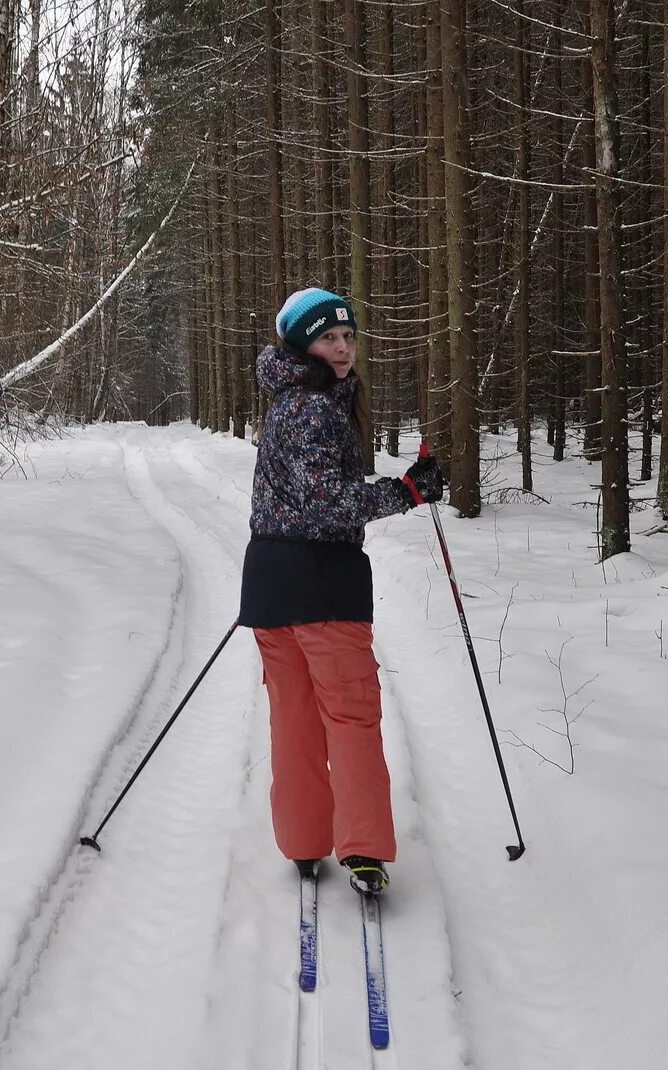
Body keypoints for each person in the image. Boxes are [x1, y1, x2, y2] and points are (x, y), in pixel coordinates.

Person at [237, 287, 446, 896]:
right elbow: (328, 503)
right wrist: (407, 491)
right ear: (303, 343)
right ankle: (361, 848)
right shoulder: (313, 407)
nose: (344, 347)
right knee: (350, 717)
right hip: (322, 584)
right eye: (330, 337)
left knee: (295, 718)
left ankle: (304, 842)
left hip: (273, 585)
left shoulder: (289, 403)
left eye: (349, 336)